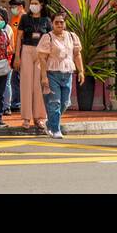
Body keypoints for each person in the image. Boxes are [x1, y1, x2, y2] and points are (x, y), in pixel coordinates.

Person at [37, 11, 84, 139]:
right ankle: (56, 130)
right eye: (56, 22)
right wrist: (44, 77)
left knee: (65, 103)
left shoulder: (72, 36)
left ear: (65, 23)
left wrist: (81, 71)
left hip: (67, 74)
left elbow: (77, 54)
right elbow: (42, 58)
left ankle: (50, 123)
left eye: (61, 22)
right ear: (52, 24)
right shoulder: (48, 37)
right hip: (52, 73)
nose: (59, 25)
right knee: (55, 103)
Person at [16, 0, 52, 129]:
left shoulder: (47, 20)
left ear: (41, 5)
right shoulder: (25, 18)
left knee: (39, 85)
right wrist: (17, 56)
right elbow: (19, 37)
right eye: (32, 3)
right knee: (26, 84)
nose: (33, 5)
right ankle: (26, 118)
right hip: (26, 50)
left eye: (36, 3)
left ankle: (40, 117)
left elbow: (50, 39)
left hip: (41, 53)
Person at [5, 0, 26, 114]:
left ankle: (19, 102)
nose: (11, 9)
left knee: (19, 78)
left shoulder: (25, 18)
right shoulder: (14, 19)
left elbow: (22, 37)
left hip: (21, 51)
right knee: (15, 79)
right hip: (13, 52)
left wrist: (18, 53)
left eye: (13, 7)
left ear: (21, 7)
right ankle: (16, 102)